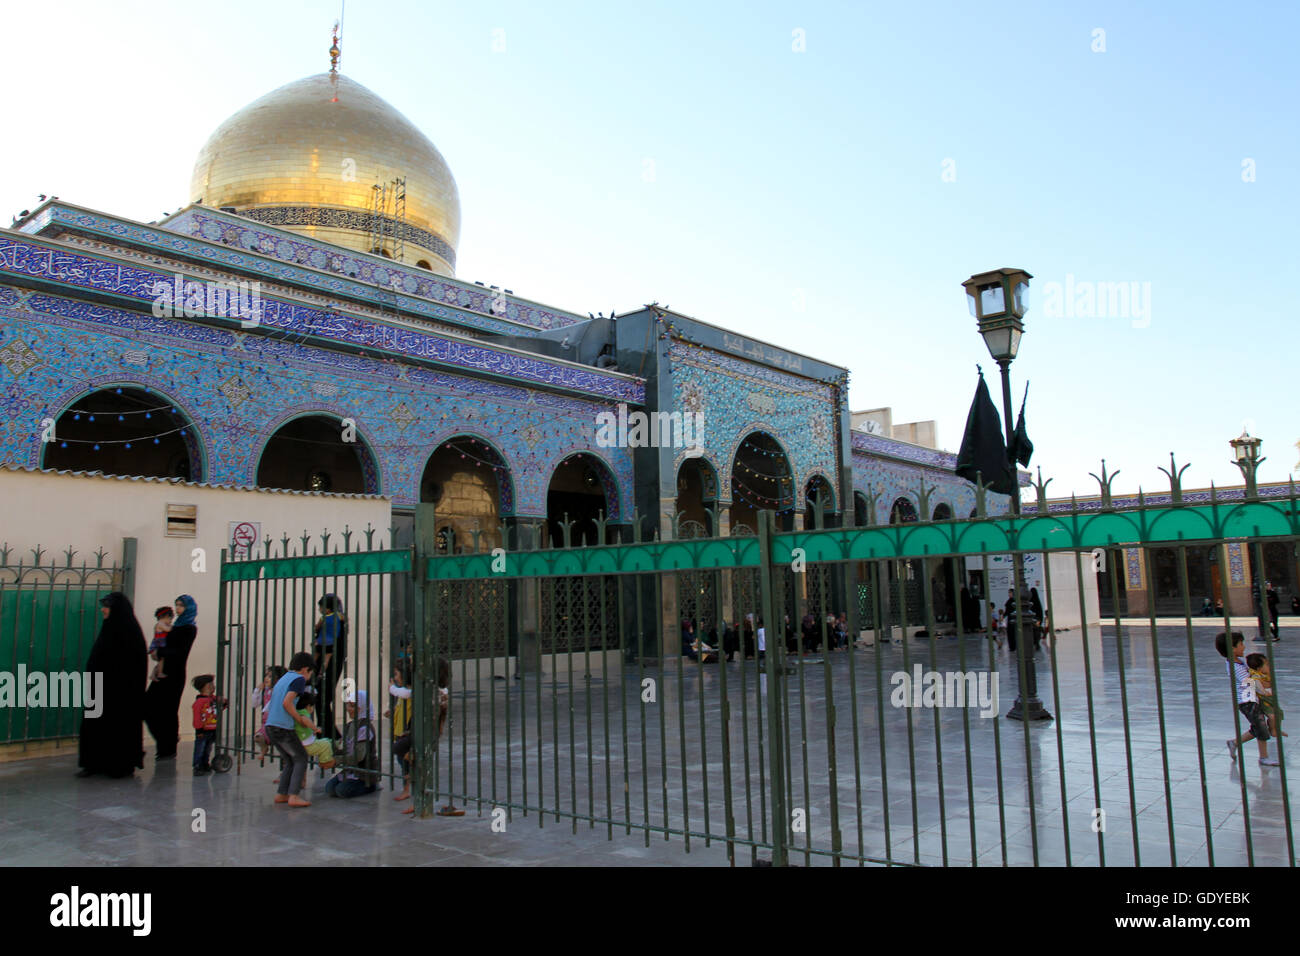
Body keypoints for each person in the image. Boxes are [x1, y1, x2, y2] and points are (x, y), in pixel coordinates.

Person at [77, 593, 147, 778]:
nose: (103, 609)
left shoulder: (130, 632)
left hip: (121, 694)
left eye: (107, 606)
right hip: (100, 691)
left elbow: (133, 665)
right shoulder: (108, 629)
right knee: (94, 725)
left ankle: (120, 765)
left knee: (119, 727)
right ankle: (93, 763)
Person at [144, 594, 198, 761]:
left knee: (168, 711)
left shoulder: (189, 628)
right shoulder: (174, 626)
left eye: (181, 605)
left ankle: (167, 748)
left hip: (175, 674)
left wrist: (159, 652)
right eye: (176, 605)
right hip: (163, 672)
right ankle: (166, 741)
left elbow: (180, 653)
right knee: (148, 707)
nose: (178, 608)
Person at [1218, 631, 1277, 766]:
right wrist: (1266, 688)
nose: (1243, 647)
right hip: (1247, 702)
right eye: (1241, 644)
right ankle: (1263, 757)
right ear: (1232, 649)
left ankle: (1235, 743)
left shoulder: (1240, 662)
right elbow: (1250, 682)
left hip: (1252, 700)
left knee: (1259, 727)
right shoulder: (1235, 667)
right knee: (1260, 727)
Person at [265, 652, 316, 808]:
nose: (309, 677)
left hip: (270, 726)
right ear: (306, 669)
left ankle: (282, 794)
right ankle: (294, 795)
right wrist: (299, 718)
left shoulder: (284, 678)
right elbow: (287, 703)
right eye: (311, 673)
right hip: (283, 727)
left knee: (289, 760)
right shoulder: (298, 679)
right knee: (300, 757)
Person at [325, 689, 380, 799]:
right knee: (329, 788)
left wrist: (337, 760)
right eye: (348, 705)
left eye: (353, 706)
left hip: (363, 773)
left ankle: (372, 785)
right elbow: (345, 748)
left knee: (341, 791)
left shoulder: (365, 727)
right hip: (350, 770)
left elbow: (359, 756)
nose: (348, 709)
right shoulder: (349, 725)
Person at [313, 594, 347, 737]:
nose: (319, 610)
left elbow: (326, 644)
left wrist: (319, 666)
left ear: (327, 608)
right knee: (321, 698)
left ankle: (328, 733)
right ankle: (327, 731)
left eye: (321, 607)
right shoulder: (337, 619)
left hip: (328, 664)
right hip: (332, 663)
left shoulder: (332, 621)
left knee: (322, 698)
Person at [385, 661, 413, 803]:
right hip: (399, 732)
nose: (395, 678)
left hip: (407, 734)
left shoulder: (410, 692)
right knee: (402, 761)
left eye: (397, 674)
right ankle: (407, 787)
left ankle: (408, 789)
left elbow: (406, 694)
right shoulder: (403, 692)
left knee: (406, 763)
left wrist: (392, 689)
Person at [292, 688, 336, 772]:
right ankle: (324, 762)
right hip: (306, 745)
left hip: (302, 744)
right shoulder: (303, 712)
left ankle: (332, 748)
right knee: (325, 745)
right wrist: (315, 728)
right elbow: (305, 720)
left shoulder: (296, 711)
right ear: (308, 706)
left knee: (326, 741)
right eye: (312, 706)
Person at [190, 674, 226, 776]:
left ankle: (205, 764)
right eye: (211, 684)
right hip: (203, 730)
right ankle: (197, 766)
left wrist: (223, 702)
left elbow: (219, 708)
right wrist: (199, 729)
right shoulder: (199, 702)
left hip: (212, 729)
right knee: (200, 748)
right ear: (205, 687)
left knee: (207, 748)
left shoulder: (213, 699)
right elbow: (197, 717)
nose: (213, 686)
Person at [1247, 653, 1285, 739]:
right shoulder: (1256, 677)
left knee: (1278, 713)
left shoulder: (1264, 675)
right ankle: (1272, 729)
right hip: (1264, 701)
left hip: (1270, 699)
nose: (1269, 666)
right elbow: (1261, 689)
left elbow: (1271, 683)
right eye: (1267, 665)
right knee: (1272, 716)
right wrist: (1265, 692)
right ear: (1259, 668)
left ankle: (1276, 729)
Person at [251, 665, 283, 761]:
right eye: (266, 676)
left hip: (276, 722)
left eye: (270, 676)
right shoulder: (266, 691)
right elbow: (254, 704)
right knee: (258, 737)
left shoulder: (279, 690)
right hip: (266, 722)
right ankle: (264, 748)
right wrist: (257, 690)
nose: (266, 678)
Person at [149, 606, 172, 681]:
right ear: (165, 616)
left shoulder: (161, 624)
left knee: (161, 662)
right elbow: (168, 630)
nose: (170, 621)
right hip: (158, 647)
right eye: (170, 619)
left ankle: (153, 674)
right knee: (161, 660)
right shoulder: (160, 624)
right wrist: (172, 627)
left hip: (160, 647)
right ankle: (159, 673)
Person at [1029, 587, 1045, 651]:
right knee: (1037, 631)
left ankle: (1036, 643)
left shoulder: (1031, 601)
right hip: (1038, 619)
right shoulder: (1037, 601)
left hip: (1034, 619)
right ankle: (1037, 643)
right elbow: (1040, 612)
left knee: (1034, 631)